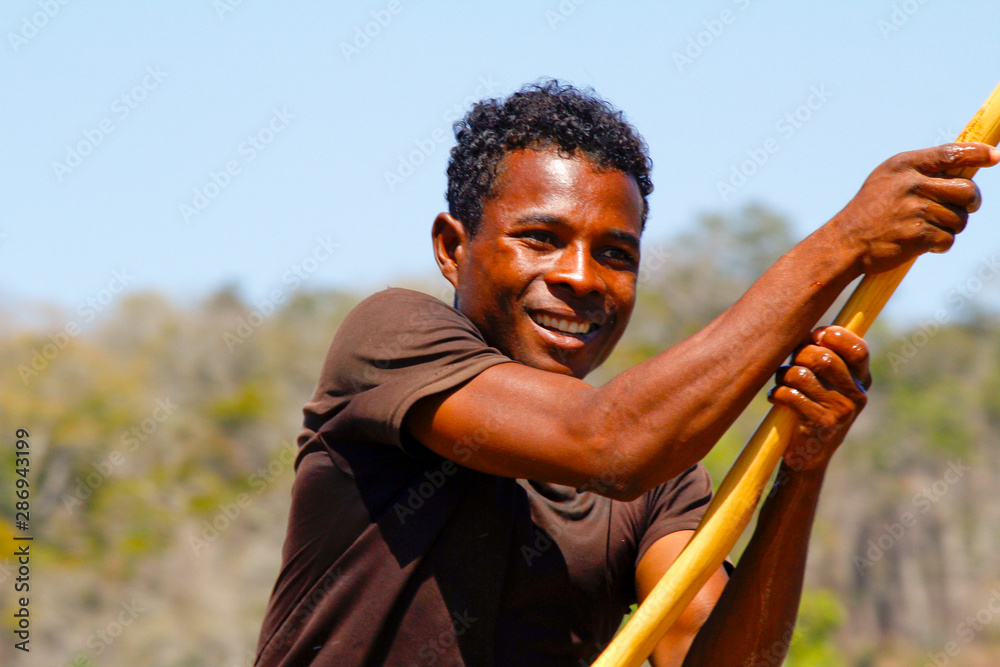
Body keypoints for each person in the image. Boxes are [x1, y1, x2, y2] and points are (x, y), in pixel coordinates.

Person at [254, 80, 997, 666]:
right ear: (453, 248)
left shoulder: (662, 486)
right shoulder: (390, 339)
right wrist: (843, 244)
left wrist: (799, 472)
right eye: (541, 238)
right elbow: (610, 443)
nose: (581, 277)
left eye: (616, 253)